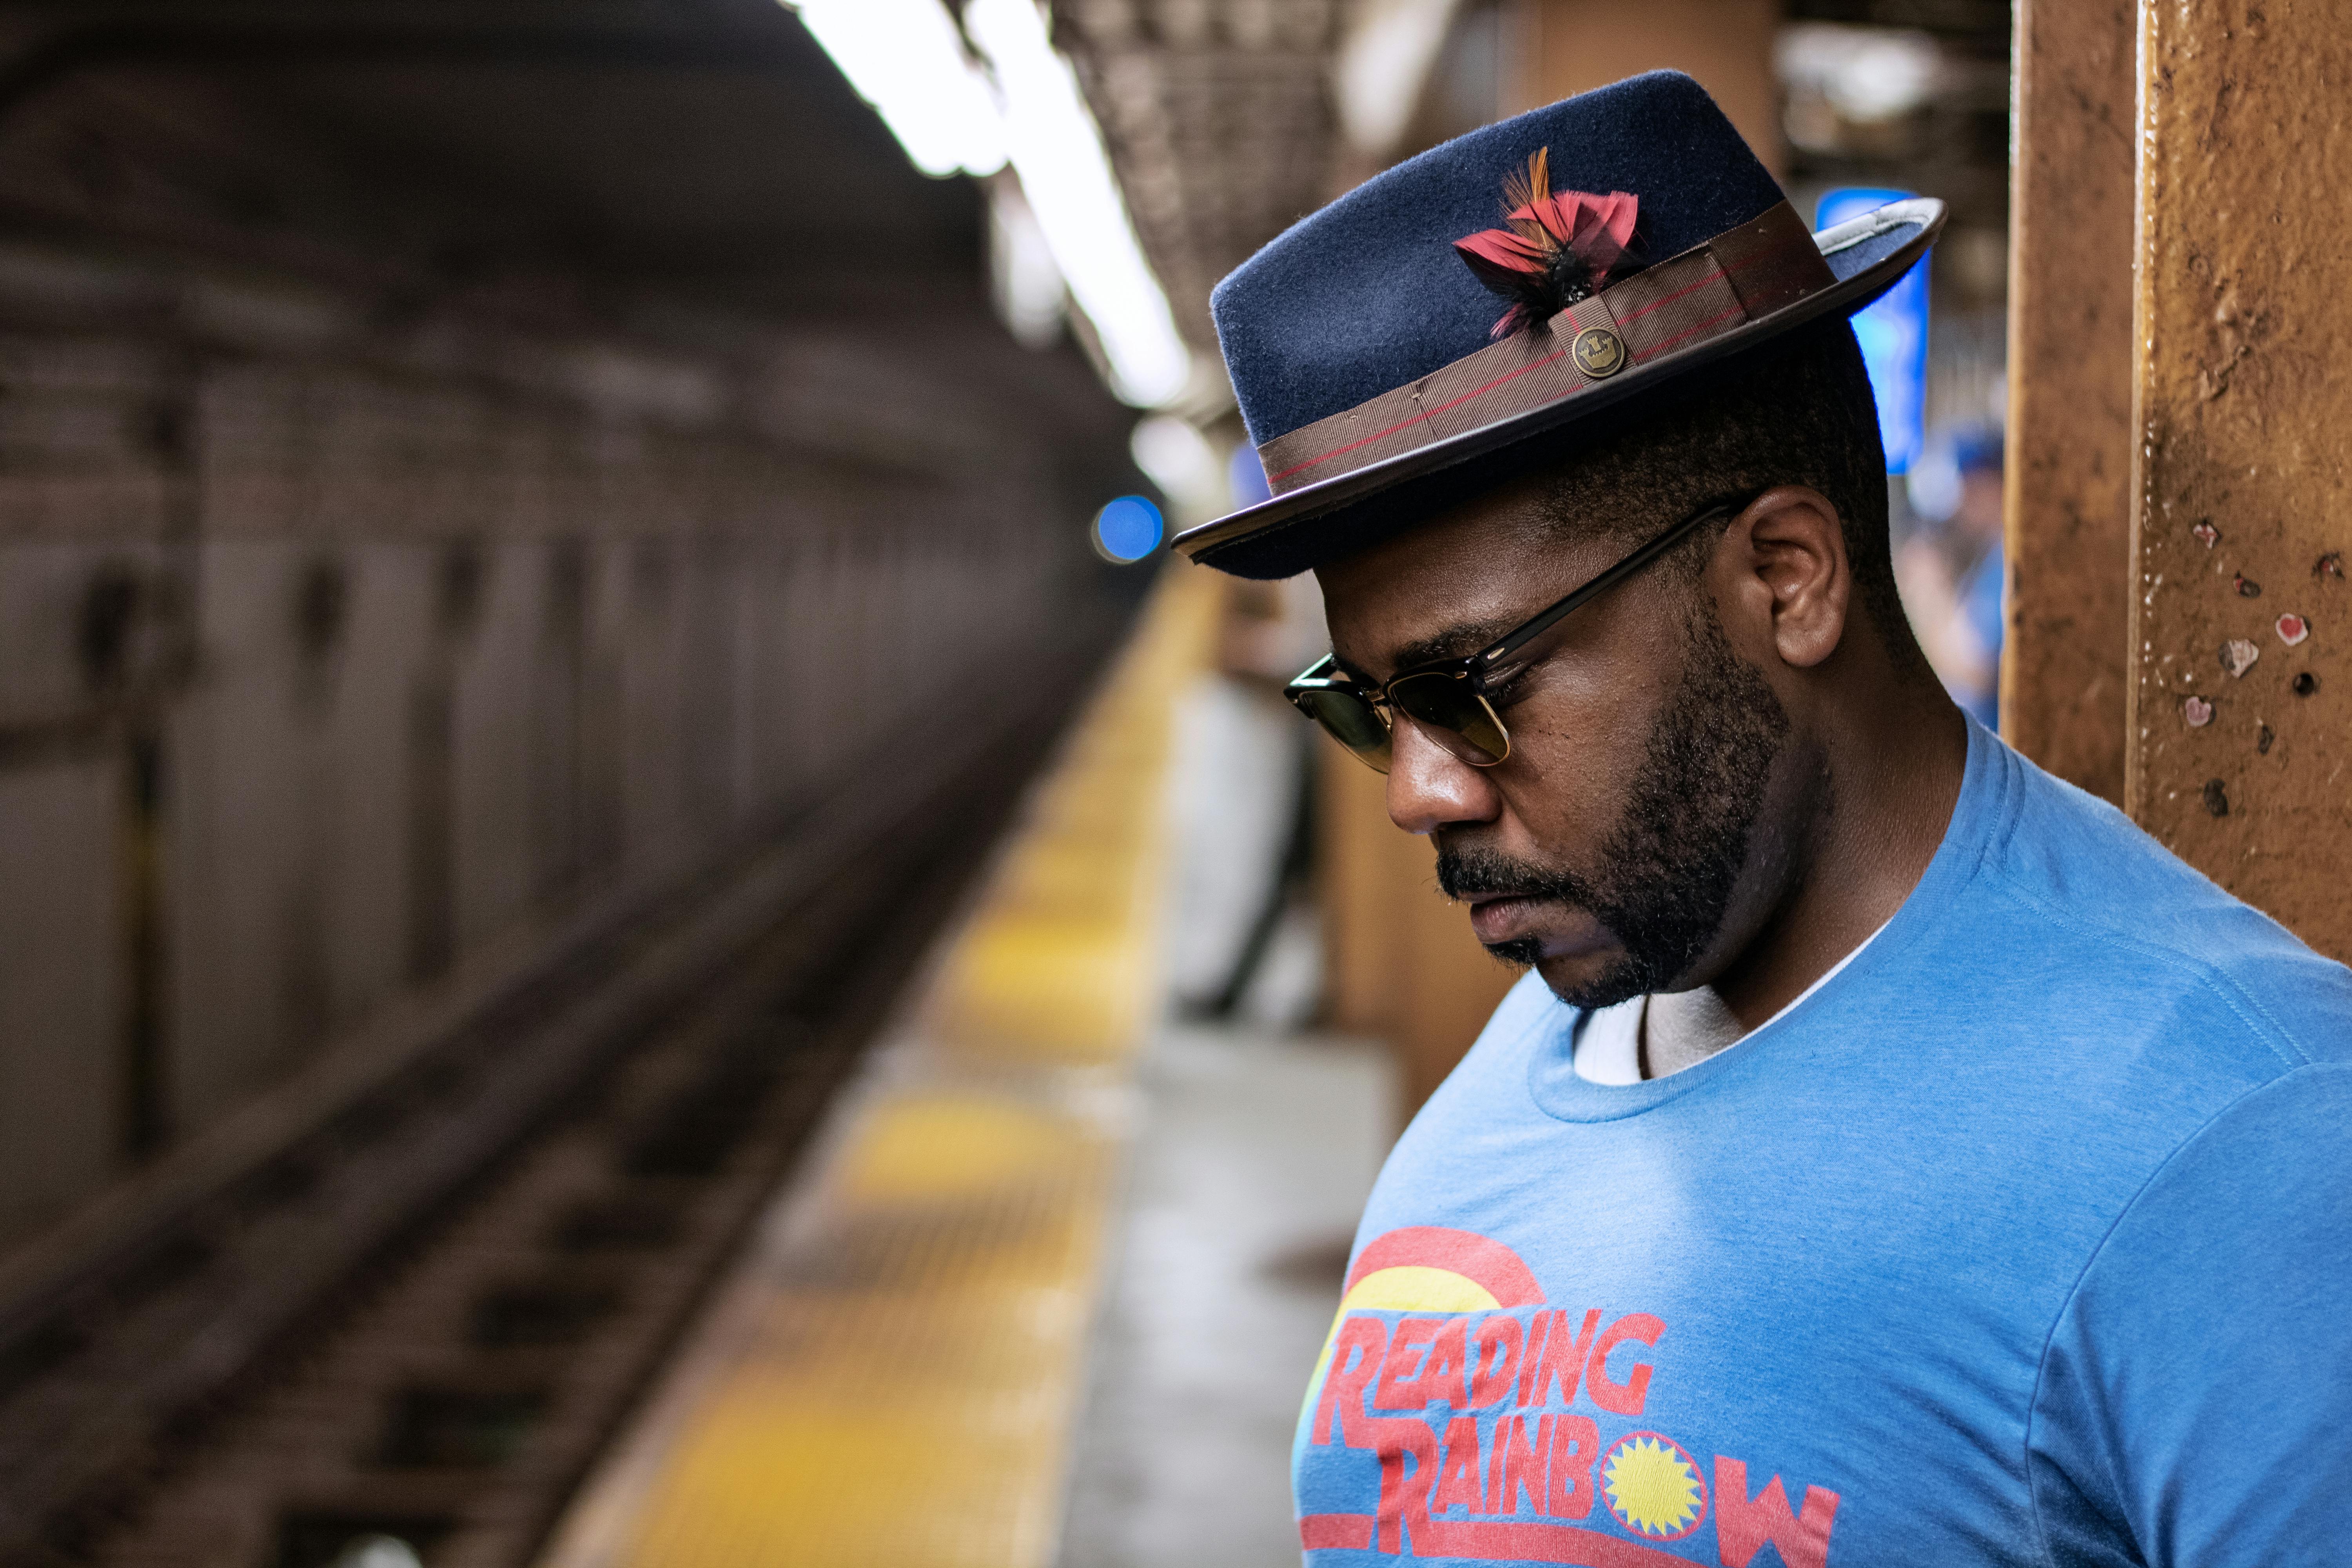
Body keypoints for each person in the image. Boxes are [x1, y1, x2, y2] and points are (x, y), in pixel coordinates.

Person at [1172, 73, 2352, 1567]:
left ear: (1785, 579)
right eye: (1369, 706)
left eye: (1473, 688)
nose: (1420, 792)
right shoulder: (1559, 1035)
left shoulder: (2250, 1159)